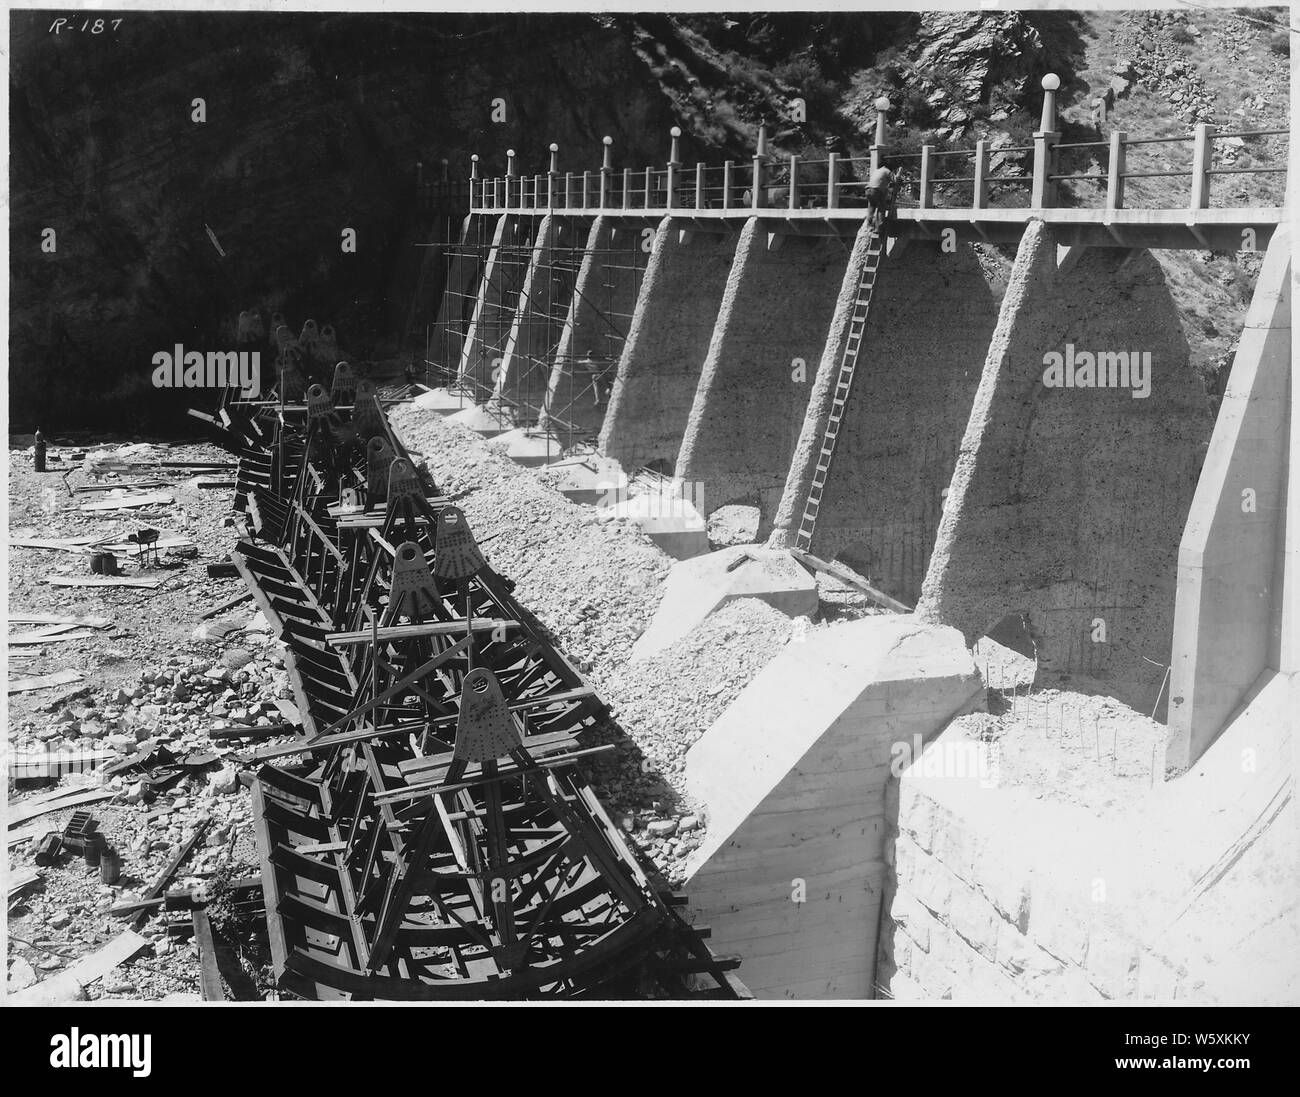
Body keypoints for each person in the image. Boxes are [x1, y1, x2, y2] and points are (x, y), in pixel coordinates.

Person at [865, 165, 897, 230]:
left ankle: (869, 225)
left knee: (871, 207)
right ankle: (879, 227)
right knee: (881, 207)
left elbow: (878, 181)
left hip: (868, 190)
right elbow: (895, 180)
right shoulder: (887, 171)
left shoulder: (877, 170)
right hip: (876, 191)